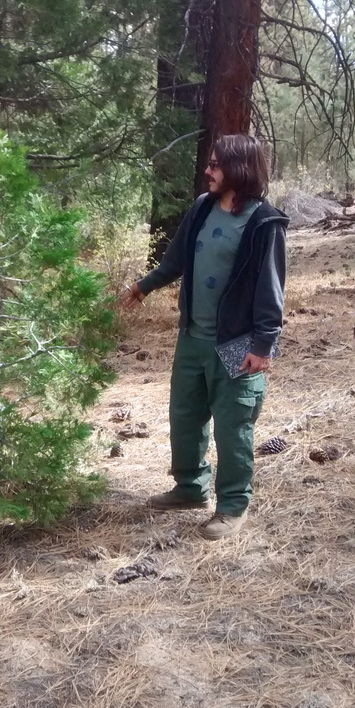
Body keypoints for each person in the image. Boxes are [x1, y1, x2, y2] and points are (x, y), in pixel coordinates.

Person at [120, 133, 288, 541]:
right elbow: (177, 259)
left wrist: (263, 345)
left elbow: (271, 287)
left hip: (236, 344)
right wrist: (143, 287)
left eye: (215, 165)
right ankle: (189, 487)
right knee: (185, 416)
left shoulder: (265, 222)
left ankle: (232, 506)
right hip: (193, 338)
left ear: (238, 169)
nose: (207, 171)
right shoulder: (202, 208)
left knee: (234, 427)